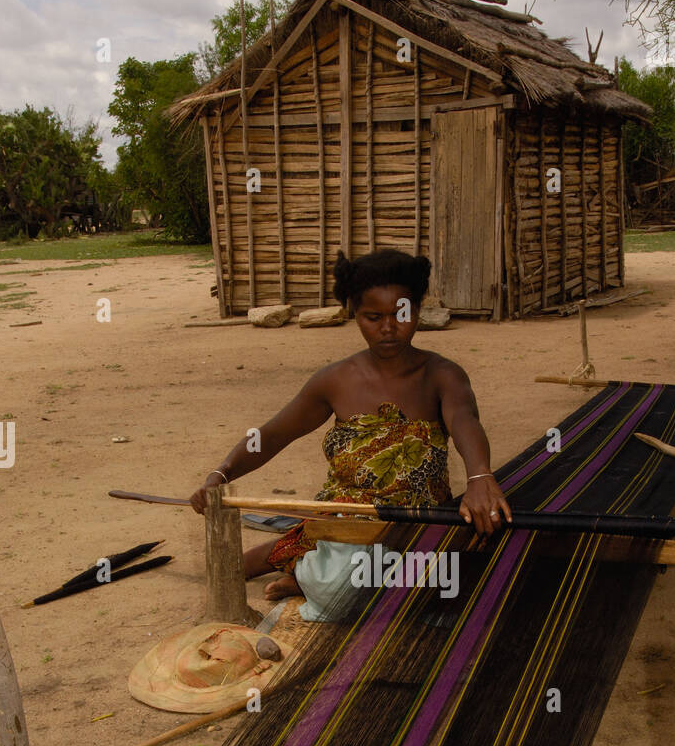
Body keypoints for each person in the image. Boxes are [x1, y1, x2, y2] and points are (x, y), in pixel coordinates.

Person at [190, 248, 511, 610]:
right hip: (341, 521)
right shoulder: (335, 381)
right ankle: (306, 559)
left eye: (401, 313)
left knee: (465, 582)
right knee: (345, 587)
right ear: (354, 314)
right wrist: (222, 472)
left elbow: (465, 420)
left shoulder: (441, 375)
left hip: (414, 522)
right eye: (373, 317)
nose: (389, 327)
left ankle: (301, 566)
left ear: (419, 311)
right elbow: (271, 435)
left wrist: (479, 476)